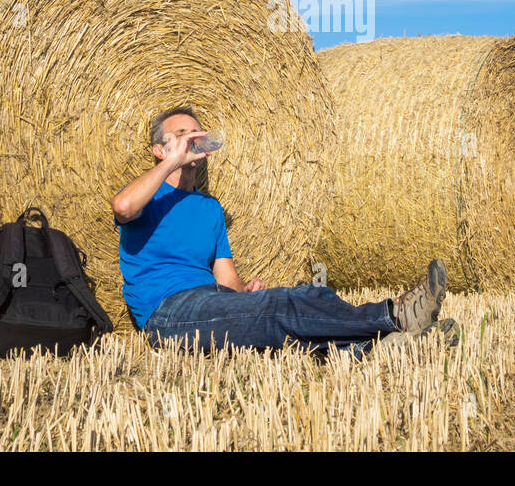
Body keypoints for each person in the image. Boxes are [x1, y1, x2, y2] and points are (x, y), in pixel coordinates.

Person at [111, 105, 455, 357]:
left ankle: (378, 349)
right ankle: (394, 315)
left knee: (310, 294)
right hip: (169, 314)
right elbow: (122, 207)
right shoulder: (147, 195)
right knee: (278, 308)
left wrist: (245, 291)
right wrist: (173, 160)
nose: (193, 140)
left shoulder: (209, 208)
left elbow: (226, 278)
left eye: (196, 133)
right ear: (159, 149)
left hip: (213, 300)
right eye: (182, 135)